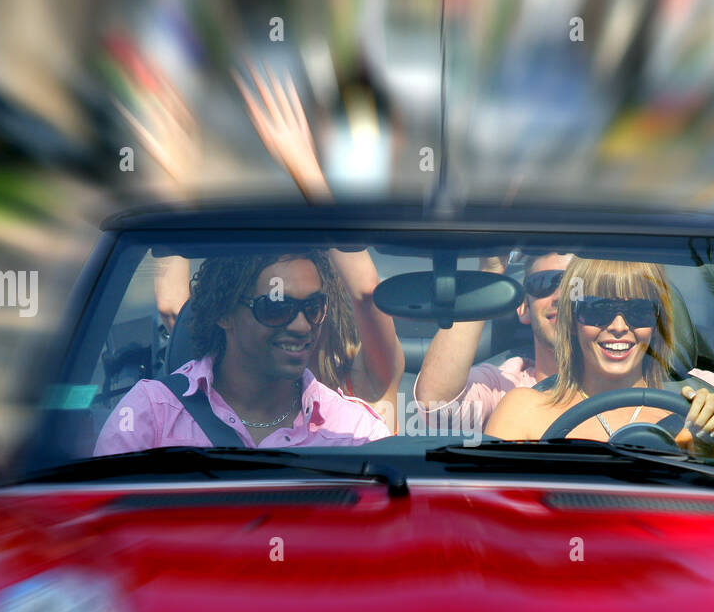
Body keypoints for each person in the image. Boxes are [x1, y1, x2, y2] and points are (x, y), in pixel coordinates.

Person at [144, 66, 404, 421]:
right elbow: (174, 306)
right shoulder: (219, 385)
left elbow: (366, 290)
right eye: (274, 305)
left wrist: (304, 167)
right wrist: (173, 187)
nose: (296, 323)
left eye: (312, 306)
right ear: (231, 316)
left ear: (326, 310)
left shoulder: (366, 383)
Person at [484, 258, 714, 451]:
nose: (619, 326)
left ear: (658, 323)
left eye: (638, 312)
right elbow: (492, 519)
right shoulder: (522, 409)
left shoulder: (695, 402)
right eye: (598, 310)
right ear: (572, 320)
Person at [94, 250, 390, 453]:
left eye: (313, 308)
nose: (302, 326)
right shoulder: (150, 415)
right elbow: (99, 529)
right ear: (224, 313)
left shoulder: (356, 433)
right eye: (276, 307)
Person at [414, 251, 573, 425]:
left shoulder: (608, 384)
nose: (560, 297)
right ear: (524, 308)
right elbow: (436, 404)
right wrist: (489, 272)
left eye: (575, 287)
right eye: (544, 283)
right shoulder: (503, 387)